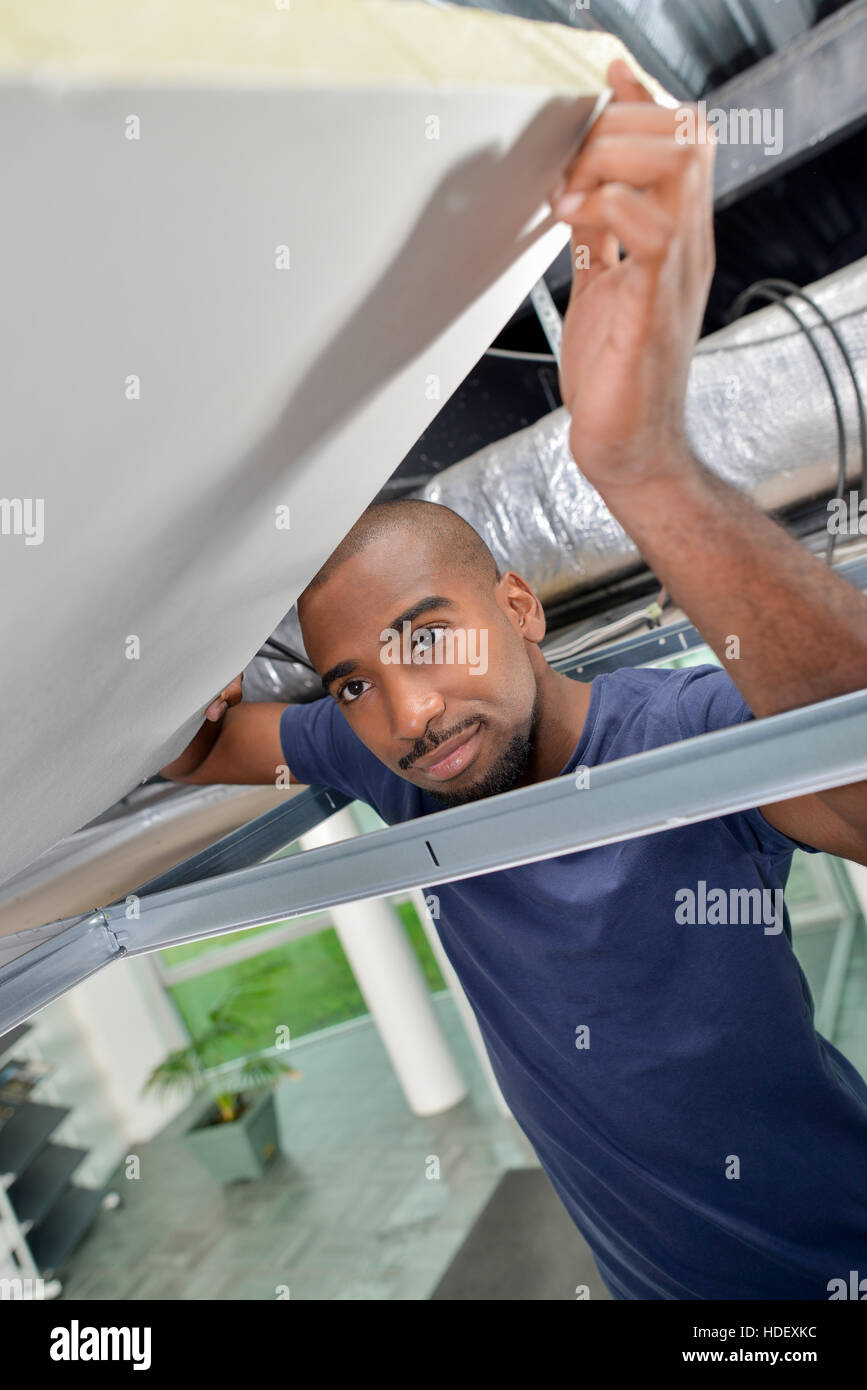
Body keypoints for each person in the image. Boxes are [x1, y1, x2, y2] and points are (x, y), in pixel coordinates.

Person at [161, 60, 867, 1299]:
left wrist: (641, 462)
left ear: (521, 607)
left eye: (426, 637)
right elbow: (202, 749)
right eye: (352, 683)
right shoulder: (395, 759)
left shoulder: (685, 734)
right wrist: (168, 668)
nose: (407, 711)